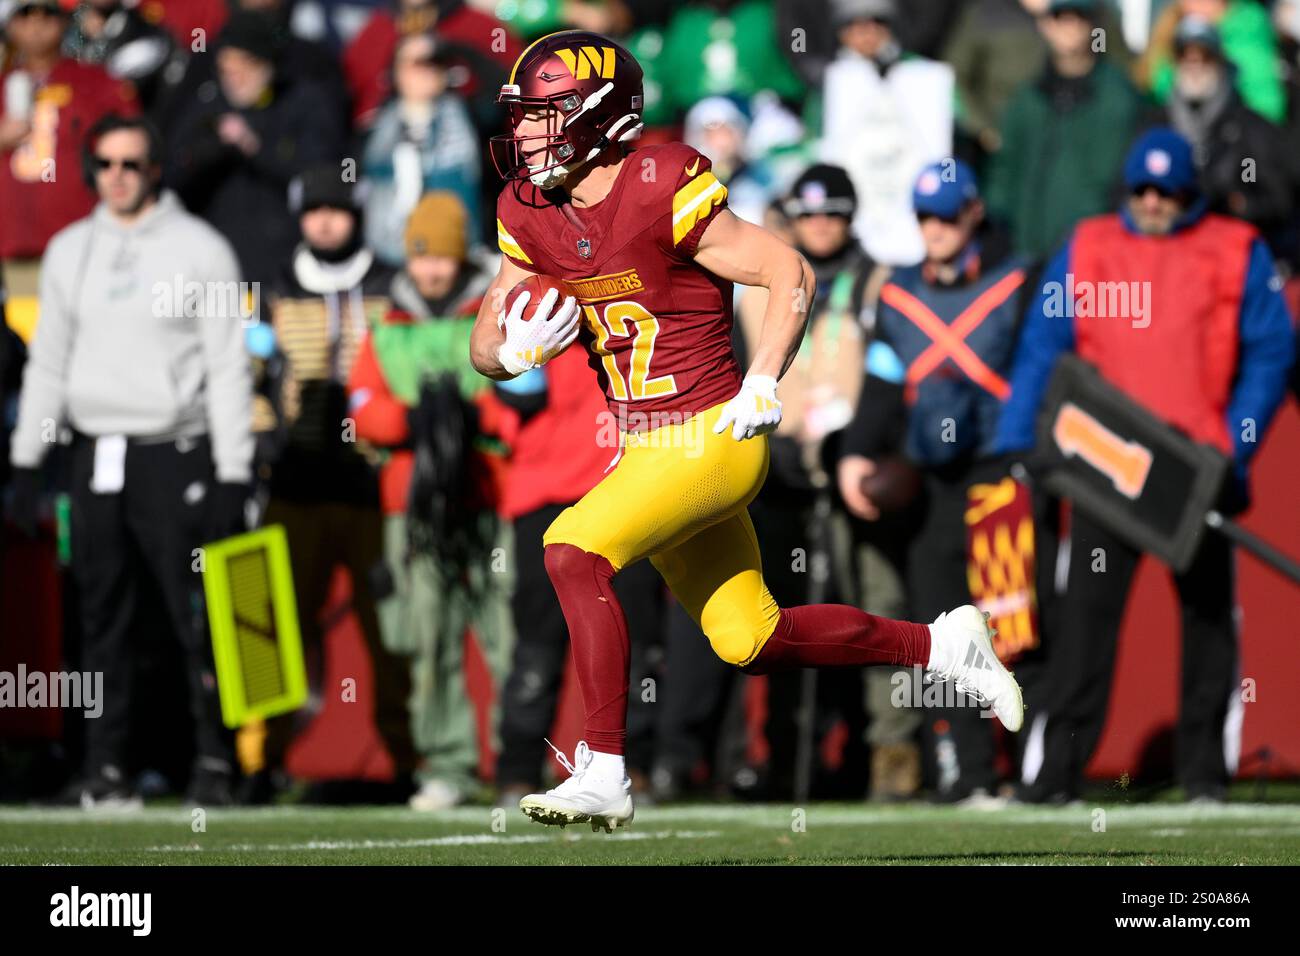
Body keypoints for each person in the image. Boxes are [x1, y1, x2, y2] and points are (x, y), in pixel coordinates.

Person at [469, 30, 1024, 831]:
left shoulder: (662, 180)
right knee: (750, 637)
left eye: (540, 114)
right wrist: (507, 351)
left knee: (571, 549)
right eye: (519, 115)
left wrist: (763, 377)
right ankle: (941, 647)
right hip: (645, 445)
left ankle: (603, 766)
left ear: (596, 116)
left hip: (712, 434)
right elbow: (484, 336)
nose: (521, 131)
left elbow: (786, 271)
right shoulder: (528, 207)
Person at [995, 128, 1296, 803]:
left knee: (1209, 626)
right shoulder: (1089, 244)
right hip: (1109, 468)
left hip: (1197, 476)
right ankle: (1055, 777)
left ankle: (1204, 777)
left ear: (1191, 193)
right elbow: (1044, 345)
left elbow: (1272, 353)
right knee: (1084, 628)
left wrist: (1233, 446)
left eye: (1170, 190)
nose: (1155, 202)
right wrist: (1019, 439)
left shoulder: (1233, 249)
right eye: (1144, 189)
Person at [7, 113, 252, 806]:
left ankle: (213, 759)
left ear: (154, 169)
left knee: (193, 612)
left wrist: (233, 470)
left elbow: (227, 365)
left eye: (132, 164)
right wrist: (29, 458)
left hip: (174, 451)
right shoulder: (68, 249)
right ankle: (106, 765)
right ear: (92, 170)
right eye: (106, 164)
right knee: (100, 618)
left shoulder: (200, 248)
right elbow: (48, 362)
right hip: (94, 453)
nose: (118, 176)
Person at [838, 159, 1044, 803]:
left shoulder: (1017, 280)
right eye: (926, 216)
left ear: (974, 214)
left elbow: (1041, 370)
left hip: (999, 475)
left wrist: (1024, 456)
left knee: (1013, 624)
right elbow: (882, 381)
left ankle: (1031, 769)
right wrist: (855, 452)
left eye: (948, 216)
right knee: (945, 632)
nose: (936, 228)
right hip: (928, 480)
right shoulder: (896, 293)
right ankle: (963, 770)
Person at [240, 164, 416, 802]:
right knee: (274, 626)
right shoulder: (276, 283)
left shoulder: (389, 282)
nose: (324, 221)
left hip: (373, 485)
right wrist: (259, 443)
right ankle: (261, 761)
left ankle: (407, 758)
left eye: (336, 209)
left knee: (391, 631)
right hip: (294, 480)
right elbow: (252, 383)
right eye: (314, 210)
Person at [347, 191, 511, 811]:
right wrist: (414, 422)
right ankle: (447, 764)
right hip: (411, 503)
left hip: (487, 492)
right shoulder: (387, 326)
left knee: (506, 631)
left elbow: (520, 388)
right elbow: (361, 407)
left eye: (441, 257)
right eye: (421, 258)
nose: (432, 269)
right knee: (428, 636)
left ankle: (516, 759)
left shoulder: (494, 309)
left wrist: (474, 417)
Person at [165, 10, 346, 288]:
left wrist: (256, 147)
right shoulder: (206, 105)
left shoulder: (303, 102)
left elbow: (320, 176)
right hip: (217, 265)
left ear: (266, 64)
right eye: (226, 69)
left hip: (287, 266)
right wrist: (214, 147)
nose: (234, 79)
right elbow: (173, 175)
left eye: (244, 67)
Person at [985, 0, 1143, 261]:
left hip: (1094, 253)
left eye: (1078, 17)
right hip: (1027, 252)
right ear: (1045, 25)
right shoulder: (1027, 98)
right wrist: (998, 230)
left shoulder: (1119, 97)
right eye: (1060, 17)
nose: (1069, 27)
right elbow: (1004, 172)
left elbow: (1125, 182)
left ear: (1093, 25)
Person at [819, 0, 954, 267]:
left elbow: (950, 126)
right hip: (855, 230)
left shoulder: (923, 74)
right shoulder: (831, 84)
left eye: (876, 23)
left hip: (911, 228)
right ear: (842, 32)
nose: (867, 33)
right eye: (856, 25)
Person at [1159, 16, 1293, 254]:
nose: (1195, 66)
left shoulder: (1250, 130)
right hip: (1172, 256)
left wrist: (1239, 204)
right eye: (1185, 57)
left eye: (1205, 57)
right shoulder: (1157, 125)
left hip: (1233, 256)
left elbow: (1279, 201)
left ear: (1220, 62)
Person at [361, 32, 481, 267]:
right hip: (392, 256)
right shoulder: (376, 127)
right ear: (396, 72)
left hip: (454, 254)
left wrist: (454, 50)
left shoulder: (468, 116)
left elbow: (501, 81)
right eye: (415, 63)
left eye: (432, 62)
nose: (425, 69)